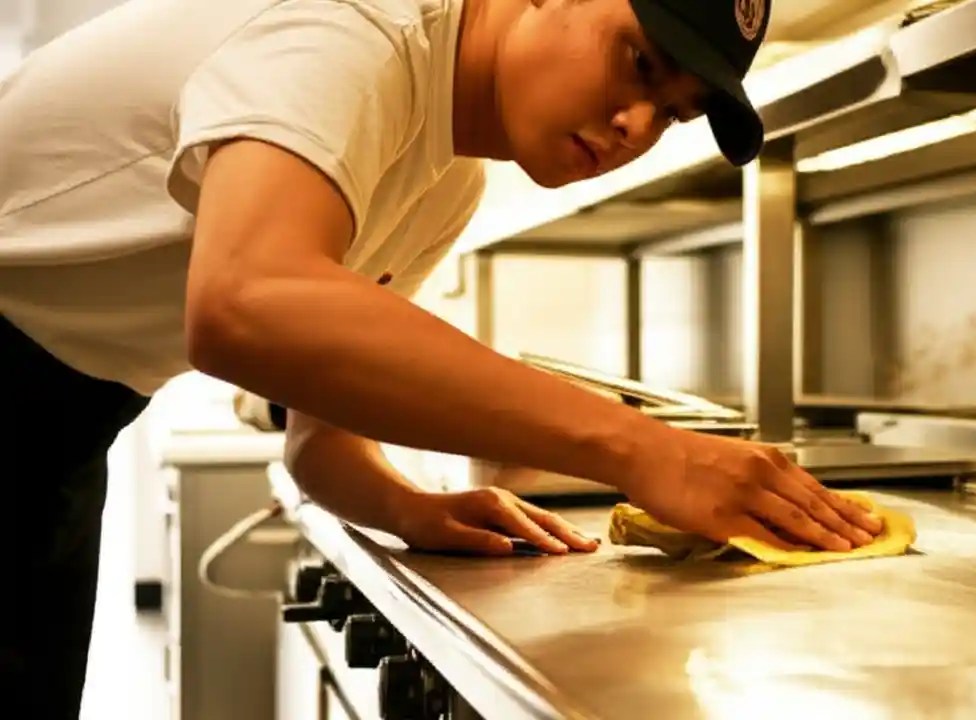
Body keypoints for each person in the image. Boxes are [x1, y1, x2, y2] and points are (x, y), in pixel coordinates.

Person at [0, 0, 884, 715]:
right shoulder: (360, 27)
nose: (636, 124)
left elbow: (318, 440)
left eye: (674, 112)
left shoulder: (445, 185)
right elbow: (243, 303)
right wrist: (647, 449)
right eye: (641, 64)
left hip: (64, 432)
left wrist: (413, 506)